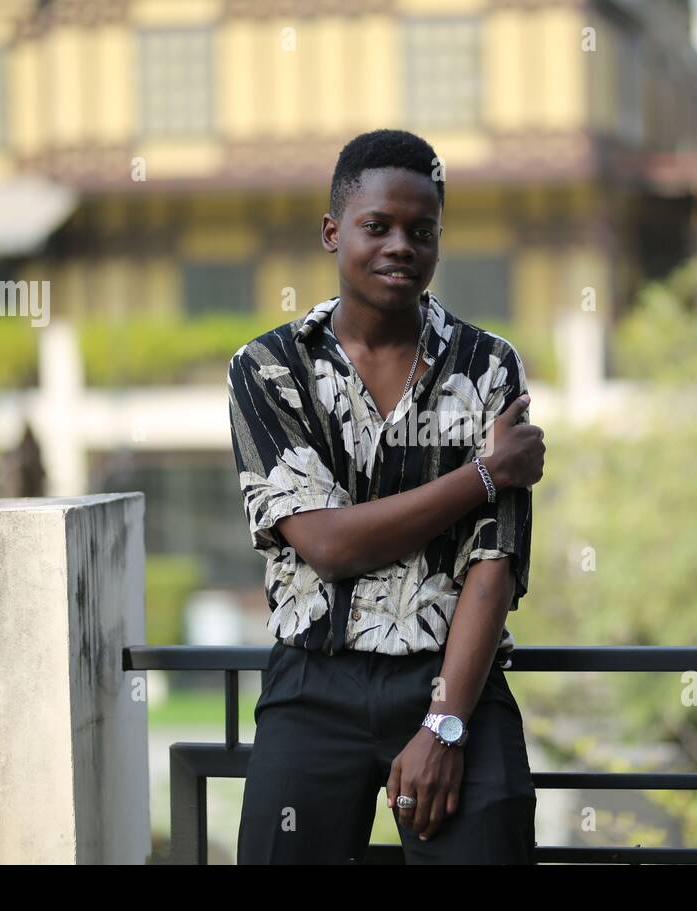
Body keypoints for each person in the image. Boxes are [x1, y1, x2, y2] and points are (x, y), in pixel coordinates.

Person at [227, 128, 546, 864]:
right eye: (378, 227)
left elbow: (492, 563)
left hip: (453, 679)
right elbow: (327, 545)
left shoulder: (487, 366)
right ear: (334, 232)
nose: (401, 244)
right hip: (313, 682)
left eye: (422, 230)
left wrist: (445, 725)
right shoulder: (269, 370)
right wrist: (485, 475)